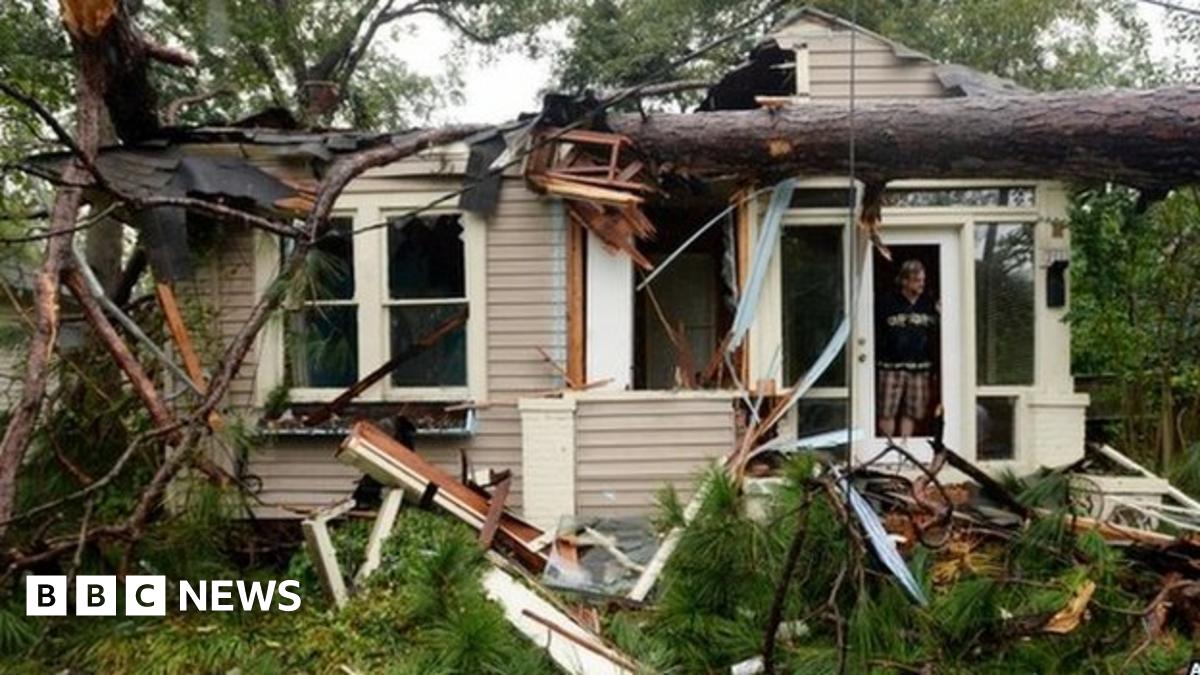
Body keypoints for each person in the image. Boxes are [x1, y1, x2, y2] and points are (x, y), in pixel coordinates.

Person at [876, 259, 938, 439]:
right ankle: (887, 448)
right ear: (904, 281)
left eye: (923, 280)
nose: (921, 284)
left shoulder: (929, 302)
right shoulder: (887, 302)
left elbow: (938, 332)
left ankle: (905, 450)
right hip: (890, 365)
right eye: (917, 280)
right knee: (887, 411)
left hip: (920, 367)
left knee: (912, 412)